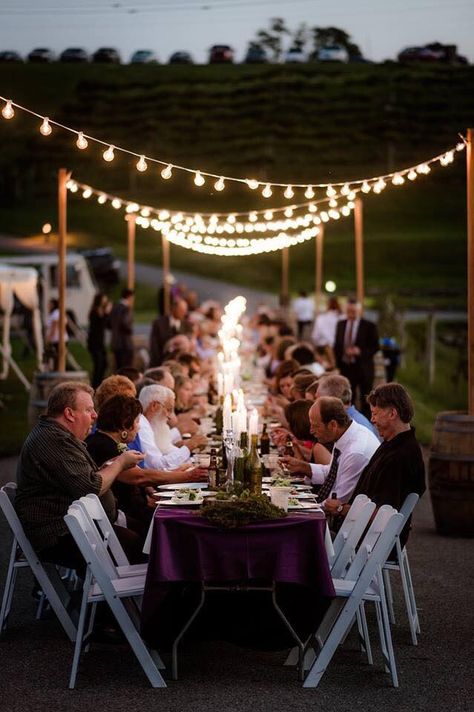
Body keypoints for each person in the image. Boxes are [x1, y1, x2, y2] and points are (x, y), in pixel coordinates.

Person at [15, 381, 144, 571]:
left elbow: (80, 480)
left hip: (76, 526)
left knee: (148, 536)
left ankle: (97, 599)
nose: (95, 415)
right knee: (143, 546)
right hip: (59, 534)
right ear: (69, 413)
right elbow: (90, 488)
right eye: (89, 409)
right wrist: (119, 464)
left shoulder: (58, 436)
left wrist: (104, 467)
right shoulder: (53, 440)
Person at [324, 383, 425, 547]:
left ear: (392, 413)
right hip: (364, 536)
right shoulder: (393, 444)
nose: (372, 420)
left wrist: (341, 509)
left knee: (303, 537)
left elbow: (383, 514)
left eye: (375, 414)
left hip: (369, 542)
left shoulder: (400, 456)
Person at [282, 396, 380, 504]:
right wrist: (302, 467)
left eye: (315, 426)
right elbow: (334, 474)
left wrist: (305, 505)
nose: (311, 431)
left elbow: (338, 501)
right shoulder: (345, 434)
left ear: (333, 425)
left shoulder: (355, 452)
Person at [138, 384, 207, 470]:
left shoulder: (150, 424)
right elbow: (158, 465)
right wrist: (190, 446)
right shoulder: (142, 425)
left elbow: (164, 450)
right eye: (168, 409)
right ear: (154, 406)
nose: (170, 417)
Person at [334, 299, 379, 417]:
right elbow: (337, 345)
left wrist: (359, 351)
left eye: (353, 311)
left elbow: (375, 347)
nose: (351, 313)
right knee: (348, 398)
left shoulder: (369, 326)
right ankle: (350, 422)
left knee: (366, 398)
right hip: (346, 366)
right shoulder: (341, 324)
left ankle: (367, 424)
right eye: (348, 310)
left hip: (363, 367)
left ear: (359, 311)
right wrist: (338, 362)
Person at [316, 374, 381, 440]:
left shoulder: (354, 424)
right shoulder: (350, 420)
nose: (314, 405)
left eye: (318, 400)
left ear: (333, 399)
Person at [149, 298, 189, 367]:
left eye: (185, 311)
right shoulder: (159, 323)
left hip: (181, 364)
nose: (184, 313)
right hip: (161, 362)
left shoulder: (186, 325)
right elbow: (154, 348)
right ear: (173, 309)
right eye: (181, 310)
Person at [87, 292, 111, 388]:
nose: (105, 302)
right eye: (103, 300)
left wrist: (107, 313)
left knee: (104, 363)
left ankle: (99, 384)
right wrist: (106, 313)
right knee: (99, 365)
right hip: (94, 343)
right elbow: (100, 324)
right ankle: (95, 386)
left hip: (100, 343)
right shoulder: (94, 311)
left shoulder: (102, 312)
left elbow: (108, 325)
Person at [109, 288, 135, 370]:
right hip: (125, 344)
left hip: (116, 343)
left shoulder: (114, 307)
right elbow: (125, 324)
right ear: (129, 297)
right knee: (126, 368)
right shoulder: (125, 309)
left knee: (118, 367)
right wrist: (130, 330)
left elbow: (108, 324)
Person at [45, 298, 68, 370]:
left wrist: (48, 338)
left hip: (56, 339)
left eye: (50, 304)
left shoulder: (56, 313)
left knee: (55, 358)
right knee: (57, 358)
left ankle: (56, 371)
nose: (48, 306)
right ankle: (56, 370)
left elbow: (54, 327)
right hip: (59, 339)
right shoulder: (58, 313)